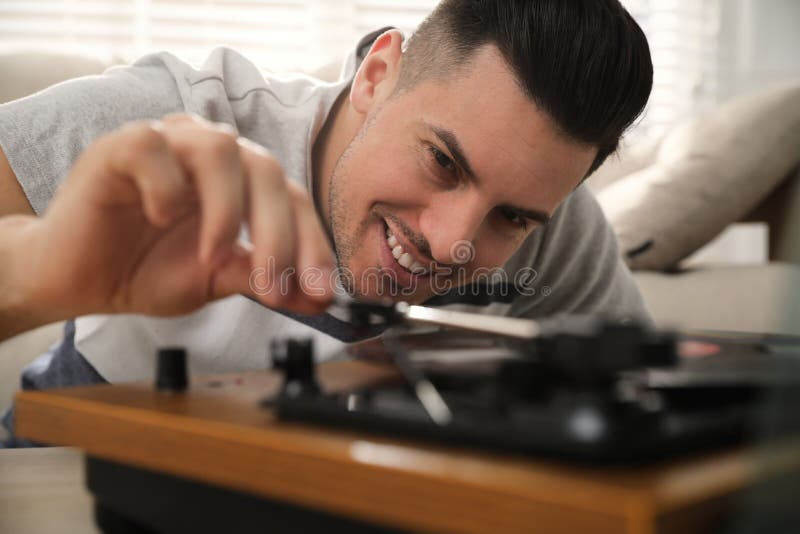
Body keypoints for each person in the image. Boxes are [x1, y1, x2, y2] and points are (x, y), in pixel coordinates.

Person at [0, 0, 653, 445]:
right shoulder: (169, 121)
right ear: (377, 76)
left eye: (510, 217)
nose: (453, 239)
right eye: (443, 162)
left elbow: (650, 408)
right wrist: (43, 273)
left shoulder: (560, 231)